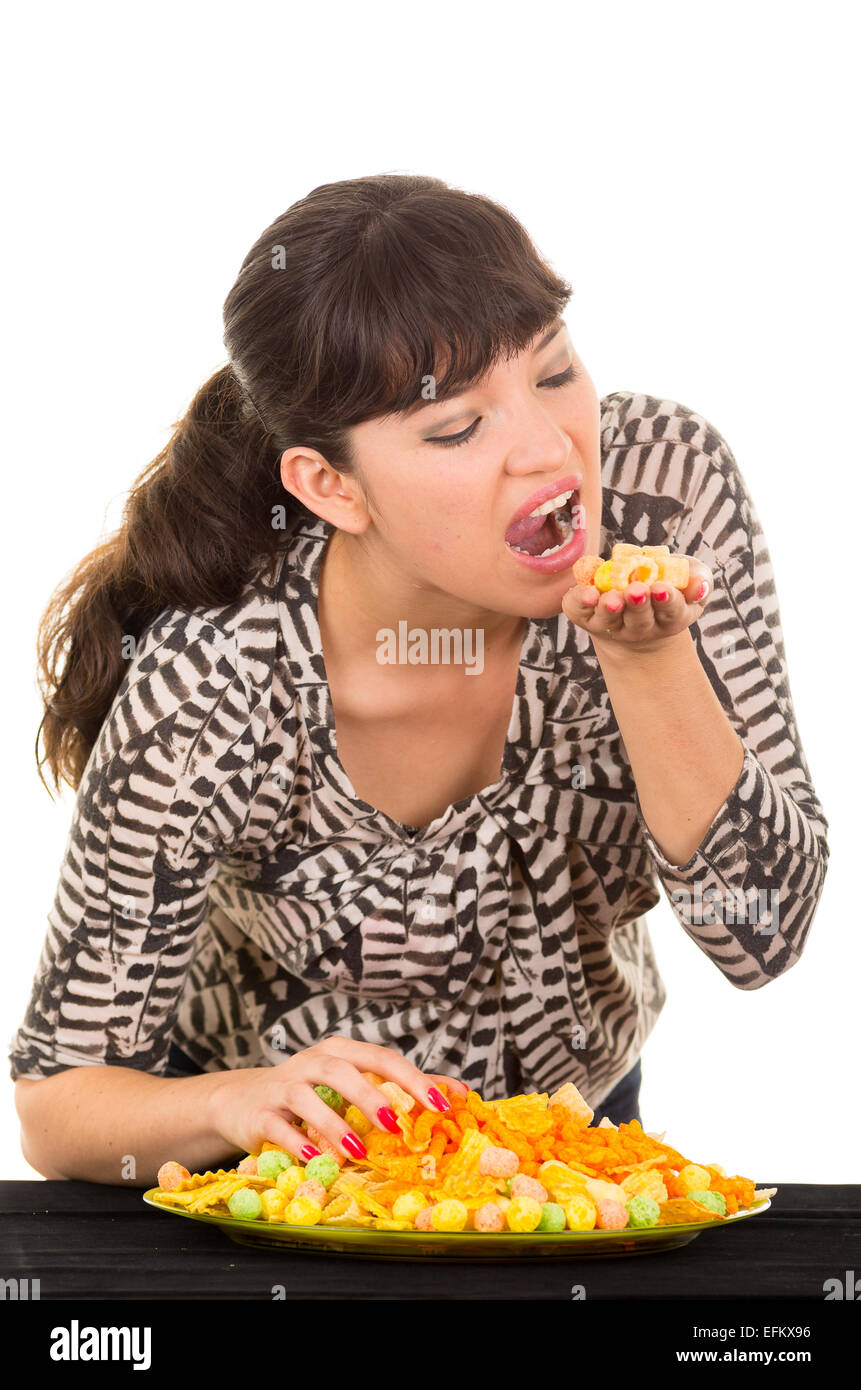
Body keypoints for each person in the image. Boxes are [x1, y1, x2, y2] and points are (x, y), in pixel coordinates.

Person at [11, 174, 828, 1186]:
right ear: (330, 485)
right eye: (456, 429)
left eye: (555, 371)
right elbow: (58, 1107)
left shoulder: (664, 489)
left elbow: (765, 933)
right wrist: (232, 1103)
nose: (549, 448)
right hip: (272, 1171)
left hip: (565, 1146)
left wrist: (648, 658)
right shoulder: (212, 685)